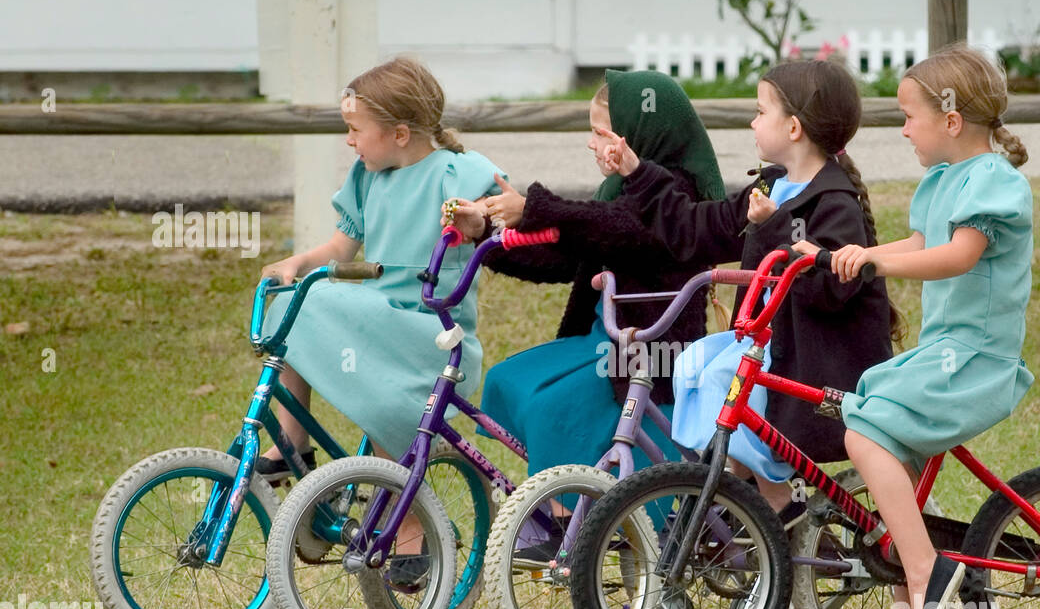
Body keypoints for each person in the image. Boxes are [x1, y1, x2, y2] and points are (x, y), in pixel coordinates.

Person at [798, 43, 1034, 609]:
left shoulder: (993, 181)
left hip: (976, 357)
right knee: (874, 411)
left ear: (951, 121)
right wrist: (849, 255)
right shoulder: (942, 179)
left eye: (909, 117)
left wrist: (875, 265)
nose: (902, 130)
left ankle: (931, 574)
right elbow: (918, 241)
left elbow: (957, 255)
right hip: (945, 350)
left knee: (863, 430)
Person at [597, 59, 899, 525]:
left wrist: (773, 226)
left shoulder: (835, 202)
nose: (752, 122)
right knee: (693, 364)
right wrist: (639, 173)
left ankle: (776, 497)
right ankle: (731, 484)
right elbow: (700, 228)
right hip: (763, 344)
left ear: (794, 127)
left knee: (723, 379)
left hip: (811, 362)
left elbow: (828, 289)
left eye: (761, 112)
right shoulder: (771, 184)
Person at [257, 57, 504, 578]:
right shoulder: (368, 178)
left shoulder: (456, 173)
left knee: (393, 403)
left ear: (398, 132)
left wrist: (482, 217)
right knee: (297, 301)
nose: (349, 142)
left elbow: (509, 207)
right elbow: (343, 247)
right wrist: (299, 263)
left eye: (354, 130)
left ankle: (411, 529)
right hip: (381, 316)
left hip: (432, 329)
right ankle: (292, 450)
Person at [474, 70, 727, 487]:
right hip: (605, 338)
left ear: (639, 134)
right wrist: (486, 233)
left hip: (645, 351)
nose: (592, 143)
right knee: (508, 381)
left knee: (552, 406)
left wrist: (535, 207)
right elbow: (563, 256)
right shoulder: (618, 189)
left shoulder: (674, 193)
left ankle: (562, 516)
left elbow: (620, 226)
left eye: (602, 133)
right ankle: (569, 502)